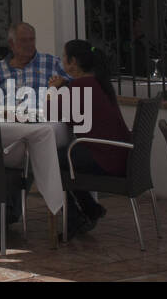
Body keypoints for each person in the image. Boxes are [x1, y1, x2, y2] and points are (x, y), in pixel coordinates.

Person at [0, 22, 69, 230]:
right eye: (24, 40)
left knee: (32, 147)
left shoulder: (52, 63)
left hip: (37, 127)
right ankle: (0, 209)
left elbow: (75, 82)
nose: (30, 44)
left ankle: (7, 209)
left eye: (32, 39)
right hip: (8, 128)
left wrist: (62, 85)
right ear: (11, 44)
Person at [49, 40, 131, 238]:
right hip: (119, 154)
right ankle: (90, 208)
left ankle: (76, 218)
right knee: (60, 159)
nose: (62, 61)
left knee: (48, 161)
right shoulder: (96, 82)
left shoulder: (82, 85)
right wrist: (66, 86)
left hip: (104, 157)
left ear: (73, 62)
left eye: (64, 57)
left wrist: (53, 90)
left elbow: (55, 112)